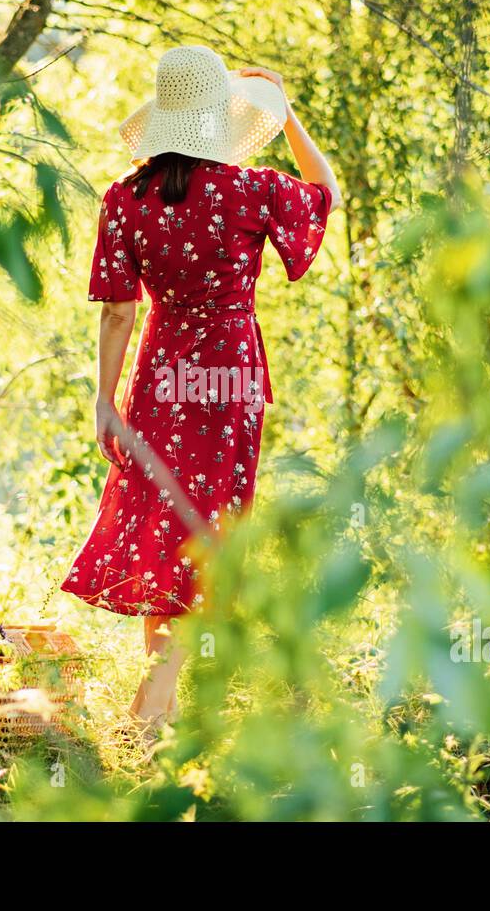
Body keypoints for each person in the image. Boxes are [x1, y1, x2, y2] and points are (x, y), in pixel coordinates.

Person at [61, 45, 343, 742]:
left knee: (166, 524)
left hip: (161, 372)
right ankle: (153, 707)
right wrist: (292, 115)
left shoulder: (124, 199)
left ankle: (157, 708)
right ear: (219, 120)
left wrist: (104, 400)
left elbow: (117, 311)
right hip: (229, 374)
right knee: (205, 533)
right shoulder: (255, 189)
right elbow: (327, 192)